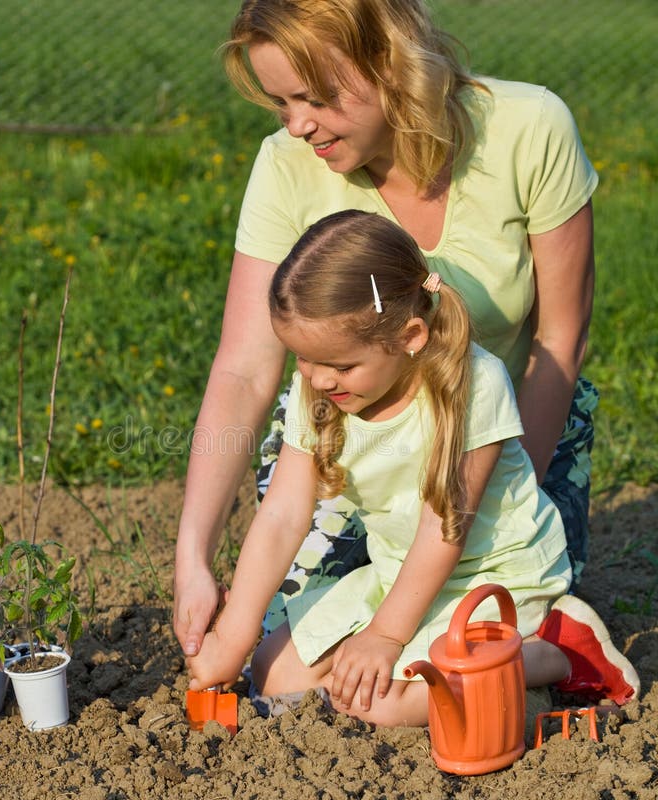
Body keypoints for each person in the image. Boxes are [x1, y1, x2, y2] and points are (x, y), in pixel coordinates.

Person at [174, 0, 599, 660]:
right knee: (284, 651)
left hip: (503, 431)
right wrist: (193, 553)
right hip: (359, 434)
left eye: (313, 97)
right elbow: (243, 368)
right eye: (280, 102)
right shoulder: (287, 163)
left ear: (389, 61)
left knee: (457, 638)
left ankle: (546, 646)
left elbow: (560, 337)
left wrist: (509, 500)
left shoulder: (530, 128)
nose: (297, 125)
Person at [185, 210, 638, 724]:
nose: (317, 379)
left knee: (376, 702)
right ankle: (464, 669)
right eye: (302, 360)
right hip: (401, 570)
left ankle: (560, 653)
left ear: (412, 336)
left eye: (340, 365)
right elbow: (283, 515)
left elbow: (442, 528)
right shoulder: (322, 390)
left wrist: (384, 637)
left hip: (494, 576)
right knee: (274, 672)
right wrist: (235, 632)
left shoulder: (472, 385)